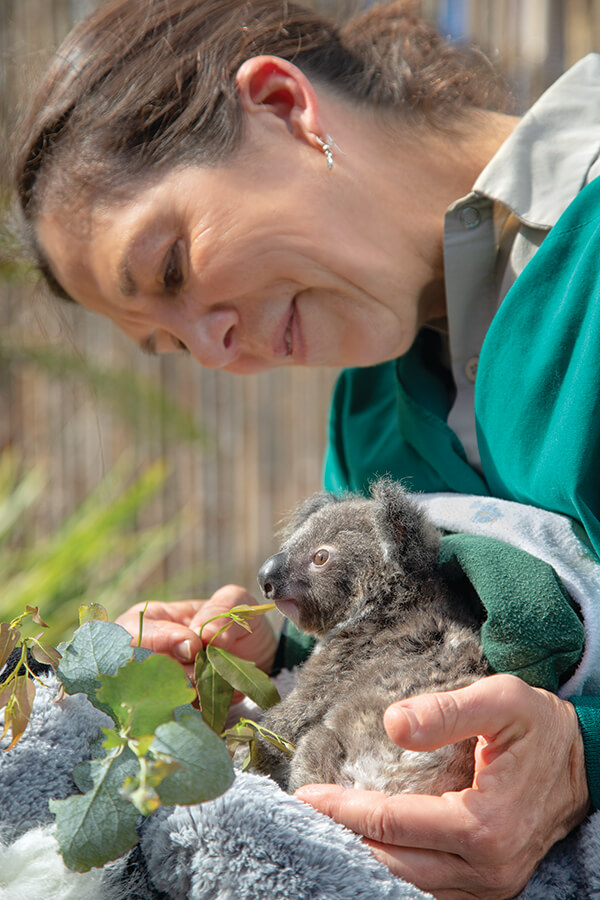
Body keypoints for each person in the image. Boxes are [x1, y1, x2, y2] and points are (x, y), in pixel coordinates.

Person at [13, 0, 600, 895]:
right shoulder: (368, 410)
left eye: (173, 268)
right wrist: (265, 664)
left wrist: (582, 760)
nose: (211, 352)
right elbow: (396, 646)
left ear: (285, 107)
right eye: (169, 344)